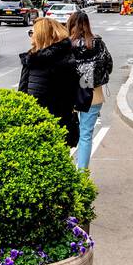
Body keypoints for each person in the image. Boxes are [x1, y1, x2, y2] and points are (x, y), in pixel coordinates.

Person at [18, 17, 80, 146]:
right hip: (61, 125)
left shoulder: (36, 62)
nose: (31, 37)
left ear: (41, 36)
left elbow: (25, 95)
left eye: (33, 33)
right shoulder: (67, 58)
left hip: (41, 128)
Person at [68, 11, 113, 170]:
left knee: (66, 133)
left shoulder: (67, 45)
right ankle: (82, 173)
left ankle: (64, 171)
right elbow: (109, 65)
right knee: (86, 135)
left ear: (70, 24)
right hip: (93, 94)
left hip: (70, 96)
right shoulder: (98, 43)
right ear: (87, 24)